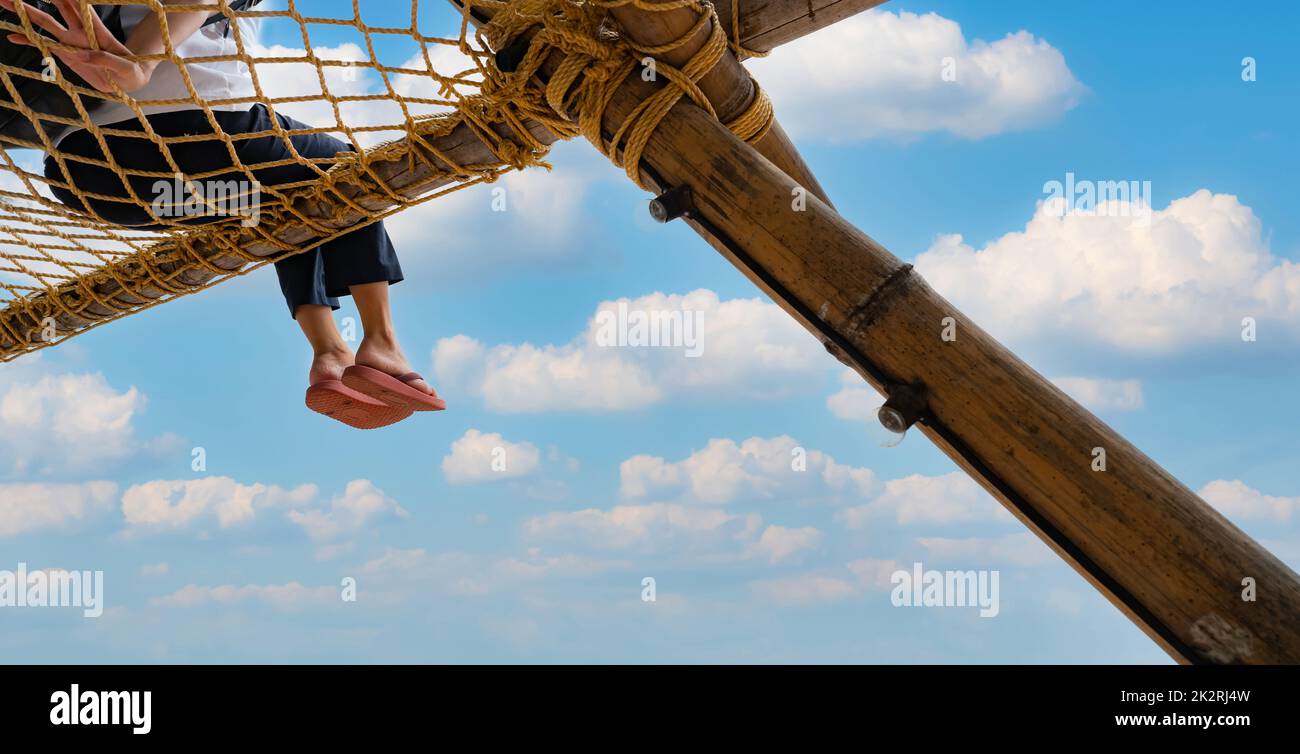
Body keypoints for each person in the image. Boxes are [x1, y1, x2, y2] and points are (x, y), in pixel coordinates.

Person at [2, 0, 444, 428]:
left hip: (91, 181)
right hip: (199, 139)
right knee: (342, 168)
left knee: (278, 199)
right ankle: (381, 341)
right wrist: (140, 62)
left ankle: (329, 352)